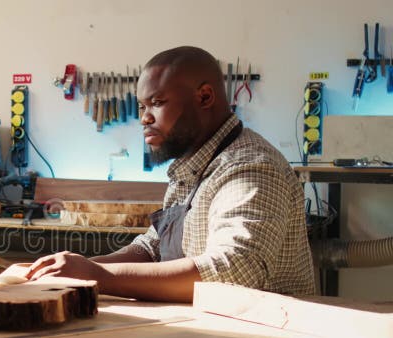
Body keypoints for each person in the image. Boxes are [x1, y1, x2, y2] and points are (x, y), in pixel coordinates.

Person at [27, 46, 315, 301]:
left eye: (157, 103)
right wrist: (70, 269)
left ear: (204, 97)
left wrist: (100, 277)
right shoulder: (190, 168)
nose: (144, 118)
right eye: (142, 106)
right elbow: (151, 248)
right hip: (209, 330)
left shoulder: (249, 167)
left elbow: (235, 270)